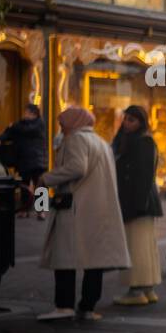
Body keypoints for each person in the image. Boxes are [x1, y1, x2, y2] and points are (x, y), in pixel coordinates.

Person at [37, 107, 130, 321]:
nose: (61, 127)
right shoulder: (100, 142)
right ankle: (88, 307)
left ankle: (64, 305)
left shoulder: (75, 139)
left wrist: (47, 178)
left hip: (75, 208)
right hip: (98, 209)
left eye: (63, 123)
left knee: (64, 258)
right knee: (94, 260)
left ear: (74, 122)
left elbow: (77, 167)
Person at [111, 105, 163, 306]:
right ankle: (147, 288)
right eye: (126, 119)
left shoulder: (142, 142)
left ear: (141, 122)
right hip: (141, 203)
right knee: (144, 246)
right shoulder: (139, 141)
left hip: (137, 203)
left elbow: (143, 176)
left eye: (132, 120)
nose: (126, 123)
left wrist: (137, 204)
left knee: (136, 247)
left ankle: (136, 290)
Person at [0, 103, 48, 219]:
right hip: (23, 160)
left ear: (33, 114)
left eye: (27, 112)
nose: (25, 115)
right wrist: (0, 139)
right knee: (25, 185)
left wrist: (12, 126)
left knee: (40, 185)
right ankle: (25, 209)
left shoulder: (38, 124)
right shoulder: (20, 125)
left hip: (37, 160)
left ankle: (41, 211)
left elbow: (26, 130)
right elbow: (9, 133)